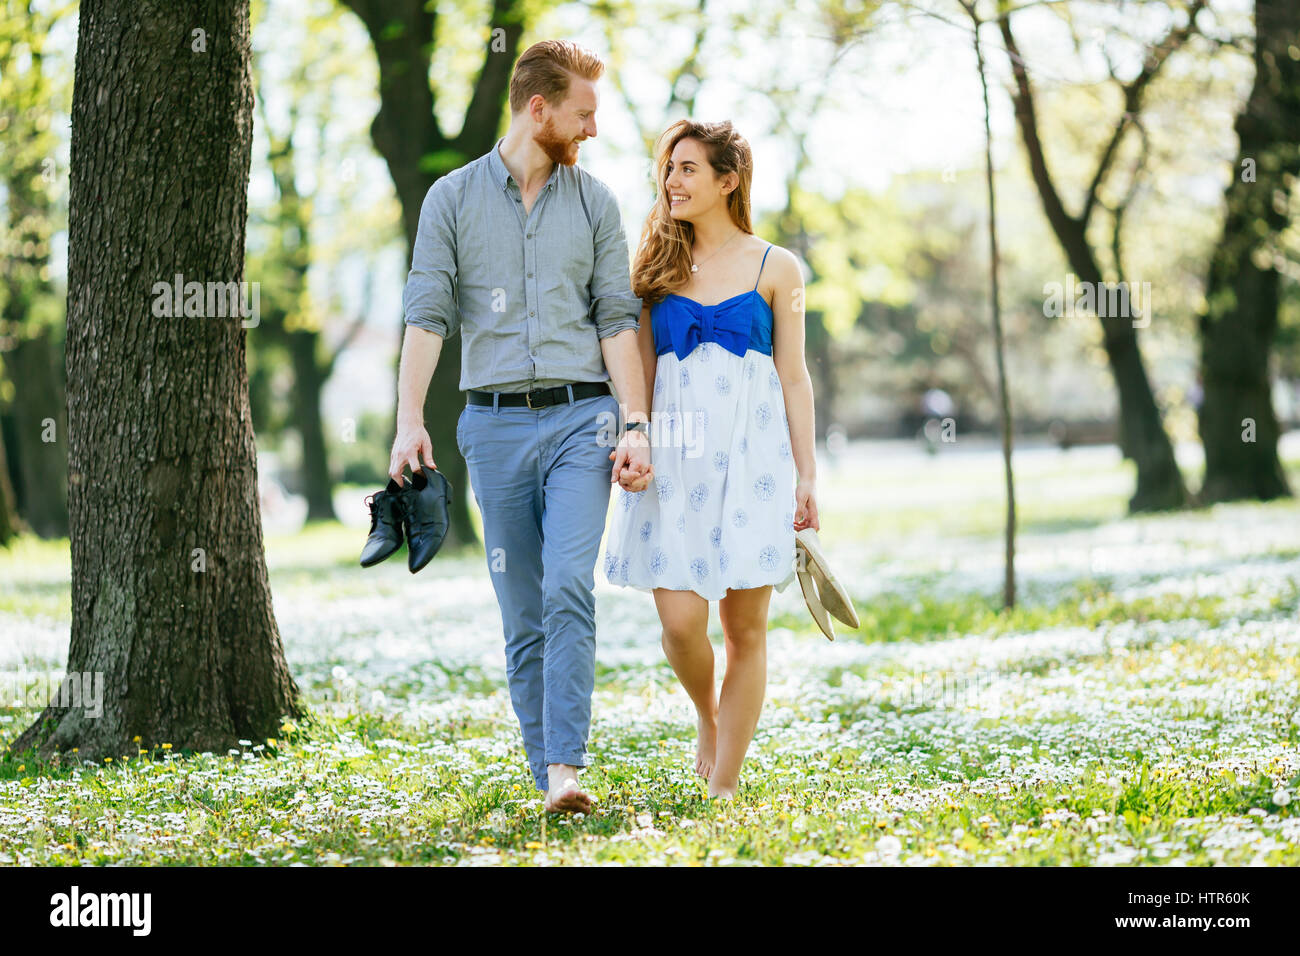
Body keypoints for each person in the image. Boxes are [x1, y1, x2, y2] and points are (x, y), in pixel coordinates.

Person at [390, 40, 654, 815]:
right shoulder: (451, 200)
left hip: (584, 419)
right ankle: (550, 773)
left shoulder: (595, 202)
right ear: (537, 110)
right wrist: (410, 420)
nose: (592, 130)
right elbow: (427, 316)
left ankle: (567, 766)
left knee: (571, 585)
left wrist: (634, 423)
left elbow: (616, 320)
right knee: (523, 609)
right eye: (582, 115)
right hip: (495, 428)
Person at [601, 119, 820, 800]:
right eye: (669, 169)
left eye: (689, 168)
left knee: (745, 628)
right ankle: (707, 714)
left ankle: (723, 787)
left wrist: (807, 474)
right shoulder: (652, 272)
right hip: (678, 460)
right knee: (681, 626)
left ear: (730, 180)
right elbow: (633, 376)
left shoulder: (777, 267)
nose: (673, 180)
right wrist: (632, 436)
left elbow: (795, 377)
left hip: (755, 462)